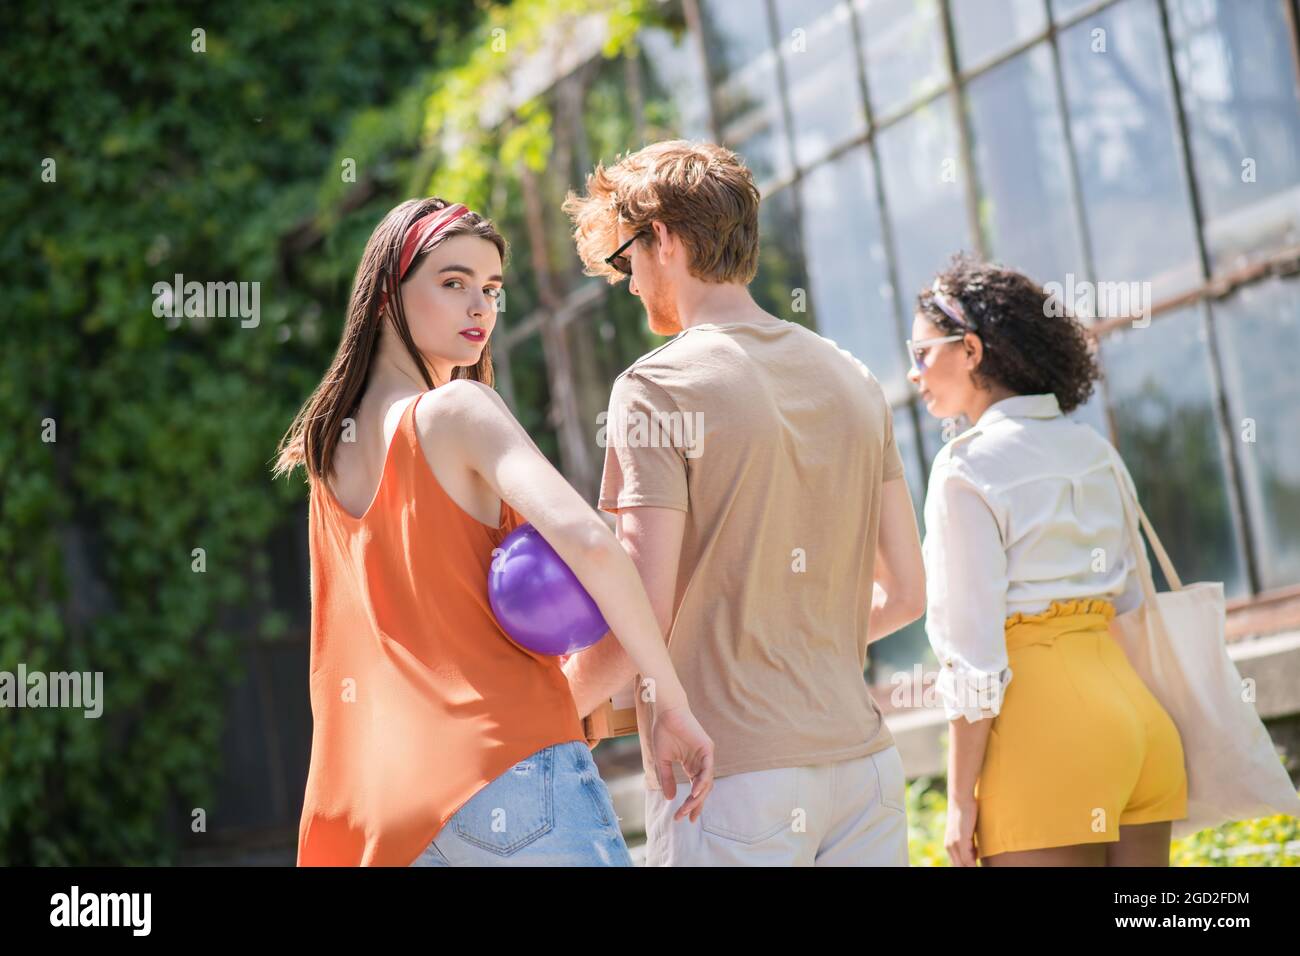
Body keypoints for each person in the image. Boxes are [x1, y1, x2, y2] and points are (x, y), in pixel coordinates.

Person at [272, 197, 714, 866]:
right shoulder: (457, 410)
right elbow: (592, 544)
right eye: (452, 283)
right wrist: (669, 699)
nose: (479, 307)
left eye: (491, 289)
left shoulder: (327, 452)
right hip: (507, 776)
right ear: (389, 292)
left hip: (382, 812)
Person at [559, 141, 926, 866]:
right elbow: (908, 593)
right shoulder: (853, 379)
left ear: (662, 237)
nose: (628, 284)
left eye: (625, 258)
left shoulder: (656, 387)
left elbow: (646, 606)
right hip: (864, 769)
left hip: (729, 778)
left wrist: (548, 705)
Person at [908, 254, 1187, 867]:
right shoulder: (1092, 449)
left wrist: (958, 801)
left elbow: (974, 657)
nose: (913, 373)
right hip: (1140, 724)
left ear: (972, 350)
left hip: (1047, 733)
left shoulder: (965, 466)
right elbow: (1135, 603)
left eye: (922, 353)